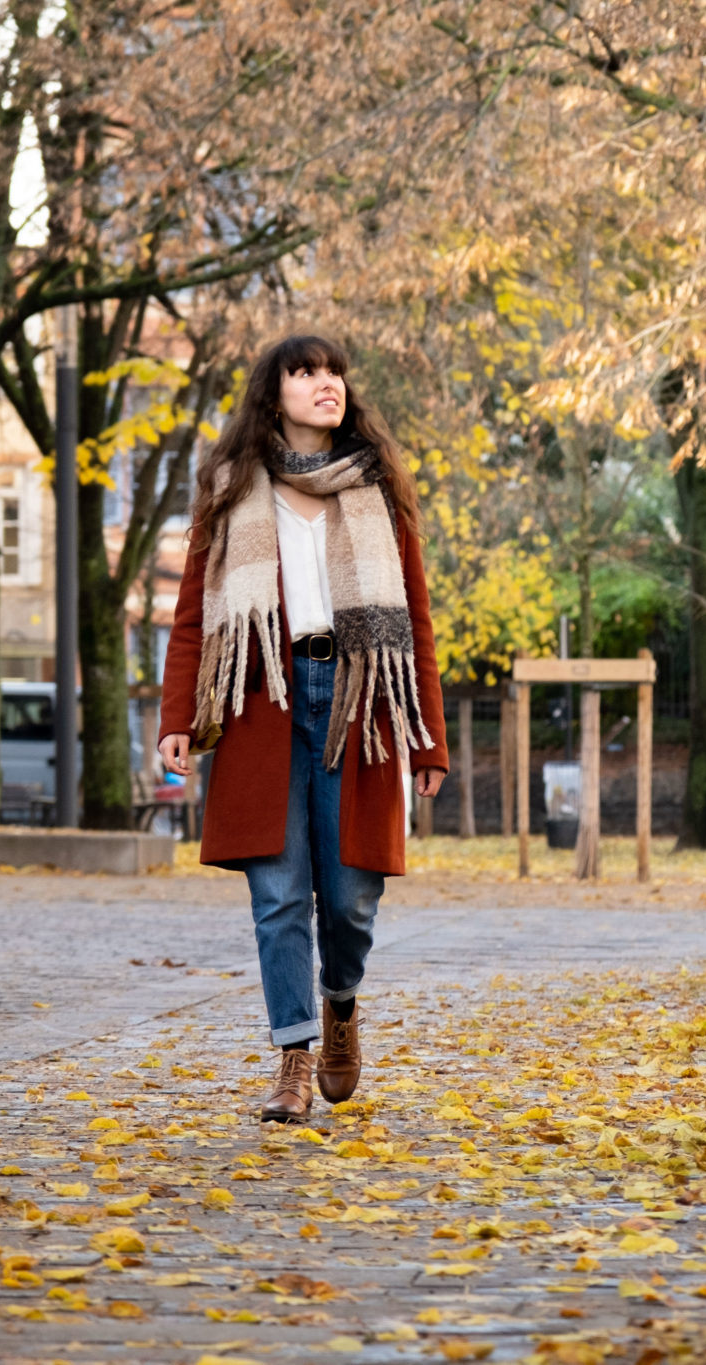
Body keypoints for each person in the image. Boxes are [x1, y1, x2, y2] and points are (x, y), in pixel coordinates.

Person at [157, 334, 447, 1122]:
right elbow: (194, 615)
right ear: (272, 393)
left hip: (360, 696)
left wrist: (430, 737)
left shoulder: (379, 488)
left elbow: (415, 619)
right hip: (263, 696)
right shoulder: (230, 488)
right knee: (279, 893)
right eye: (307, 372)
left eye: (335, 373)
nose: (328, 385)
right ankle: (291, 1055)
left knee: (351, 893)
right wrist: (177, 716)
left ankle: (340, 1004)